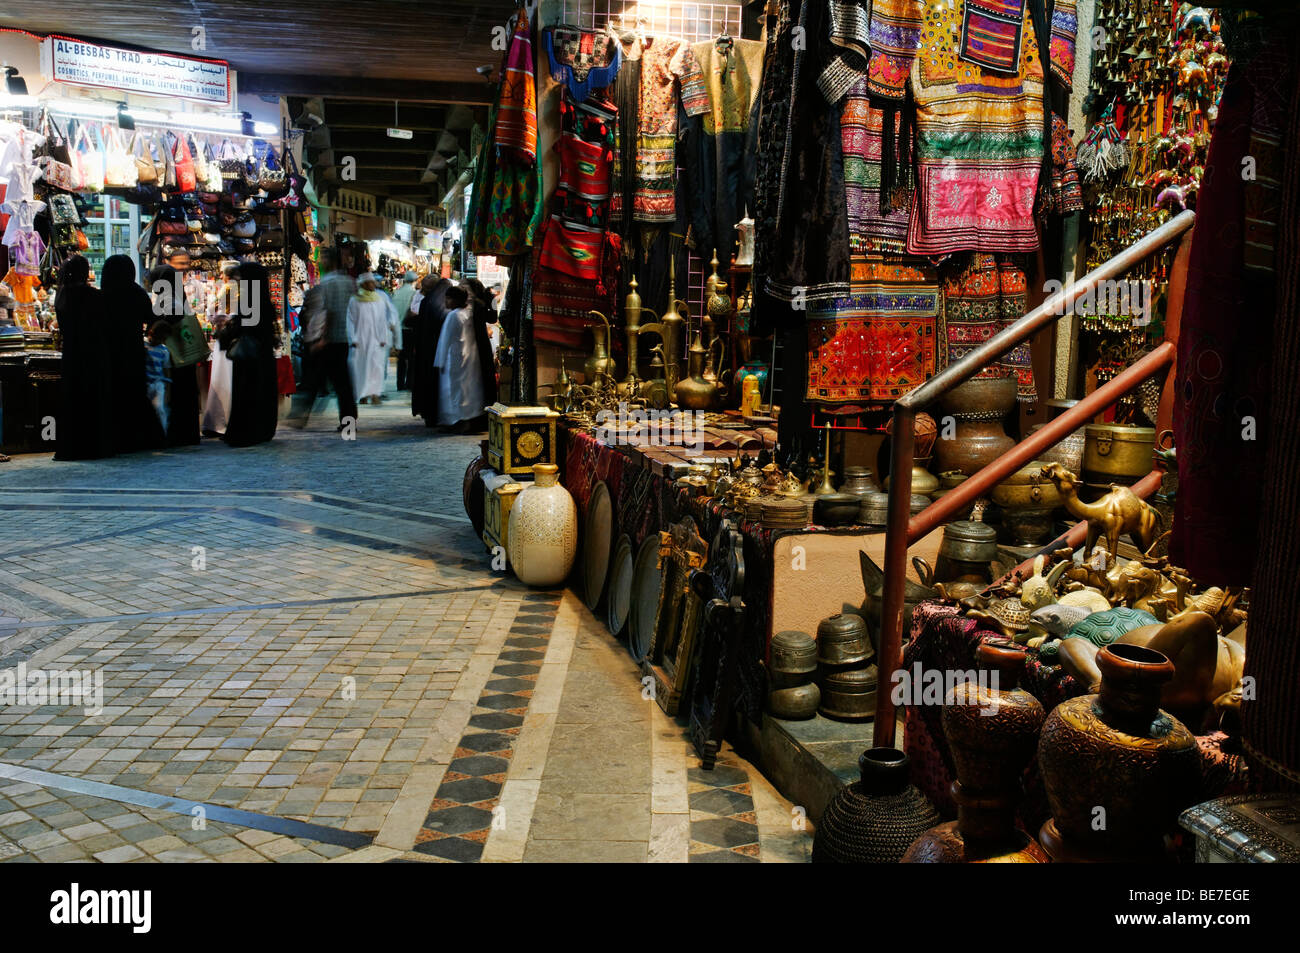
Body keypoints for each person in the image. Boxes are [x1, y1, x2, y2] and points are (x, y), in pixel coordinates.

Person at [52, 256, 115, 460]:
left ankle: (72, 446)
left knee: (73, 399)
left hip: (72, 353)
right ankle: (94, 445)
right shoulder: (94, 296)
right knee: (93, 398)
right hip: (94, 353)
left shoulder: (61, 296)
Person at [287, 248, 358, 430]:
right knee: (342, 384)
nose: (320, 261)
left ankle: (299, 416)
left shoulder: (328, 284)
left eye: (323, 258)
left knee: (313, 379)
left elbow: (327, 312)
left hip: (327, 340)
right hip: (343, 338)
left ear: (330, 261)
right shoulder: (349, 282)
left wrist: (321, 337)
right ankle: (349, 422)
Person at [99, 254, 164, 453]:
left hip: (109, 351)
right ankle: (141, 437)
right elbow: (152, 318)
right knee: (135, 393)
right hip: (133, 350)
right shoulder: (136, 293)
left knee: (114, 394)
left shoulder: (104, 295)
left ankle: (116, 438)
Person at [222, 261, 280, 447]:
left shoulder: (250, 299)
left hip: (249, 356)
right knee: (261, 392)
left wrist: (229, 327)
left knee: (247, 393)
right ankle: (261, 429)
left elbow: (245, 326)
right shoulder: (263, 298)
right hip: (262, 354)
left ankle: (246, 431)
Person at [146, 263, 202, 446]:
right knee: (185, 394)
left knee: (177, 395)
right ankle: (186, 433)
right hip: (183, 356)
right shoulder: (178, 297)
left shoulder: (168, 301)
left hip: (175, 357)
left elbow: (163, 327)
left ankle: (178, 434)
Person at [433, 284, 486, 433]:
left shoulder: (454, 315)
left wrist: (440, 360)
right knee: (467, 390)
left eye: (448, 299)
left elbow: (445, 340)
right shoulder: (468, 313)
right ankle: (463, 420)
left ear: (456, 300)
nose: (446, 302)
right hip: (468, 356)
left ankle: (457, 420)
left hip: (455, 358)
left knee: (455, 391)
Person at [347, 272, 397, 404]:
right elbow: (350, 320)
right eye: (370, 282)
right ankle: (362, 395)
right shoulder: (355, 299)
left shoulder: (379, 299)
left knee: (376, 366)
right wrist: (353, 338)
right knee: (361, 368)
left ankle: (375, 393)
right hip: (361, 340)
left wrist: (384, 336)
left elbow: (383, 319)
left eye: (374, 282)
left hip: (377, 340)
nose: (374, 284)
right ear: (363, 284)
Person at [409, 276, 452, 426]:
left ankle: (431, 414)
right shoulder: (440, 300)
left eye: (425, 289)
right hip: (437, 350)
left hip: (429, 351)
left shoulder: (430, 301)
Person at [464, 278, 499, 411]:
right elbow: (492, 318)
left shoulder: (476, 304)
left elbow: (491, 318)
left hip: (476, 340)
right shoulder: (482, 302)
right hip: (481, 340)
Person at [392, 271, 419, 390]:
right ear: (415, 280)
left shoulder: (397, 293)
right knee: (412, 358)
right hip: (409, 329)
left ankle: (399, 384)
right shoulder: (414, 293)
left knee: (401, 358)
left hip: (398, 329)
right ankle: (410, 383)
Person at [145, 321, 172, 437]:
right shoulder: (144, 344)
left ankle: (163, 434)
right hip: (147, 382)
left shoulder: (164, 350)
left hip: (158, 383)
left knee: (159, 408)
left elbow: (166, 369)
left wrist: (168, 387)